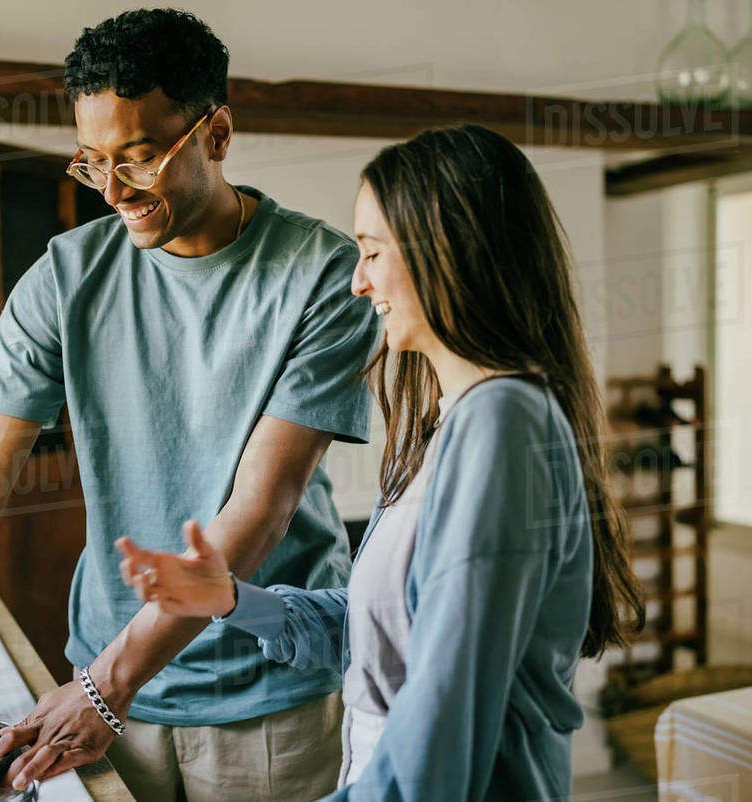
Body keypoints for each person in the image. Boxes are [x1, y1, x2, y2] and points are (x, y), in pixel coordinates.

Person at [0, 9, 379, 801]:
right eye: (92, 163)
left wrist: (105, 689)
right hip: (106, 685)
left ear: (216, 135)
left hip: (269, 700)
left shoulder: (324, 275)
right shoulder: (63, 278)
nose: (113, 191)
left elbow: (260, 510)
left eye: (141, 157)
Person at [117, 124, 647, 800]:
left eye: (370, 253)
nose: (357, 283)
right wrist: (230, 599)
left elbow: (441, 714)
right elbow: (388, 630)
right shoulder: (457, 420)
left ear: (445, 253)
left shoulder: (502, 425)